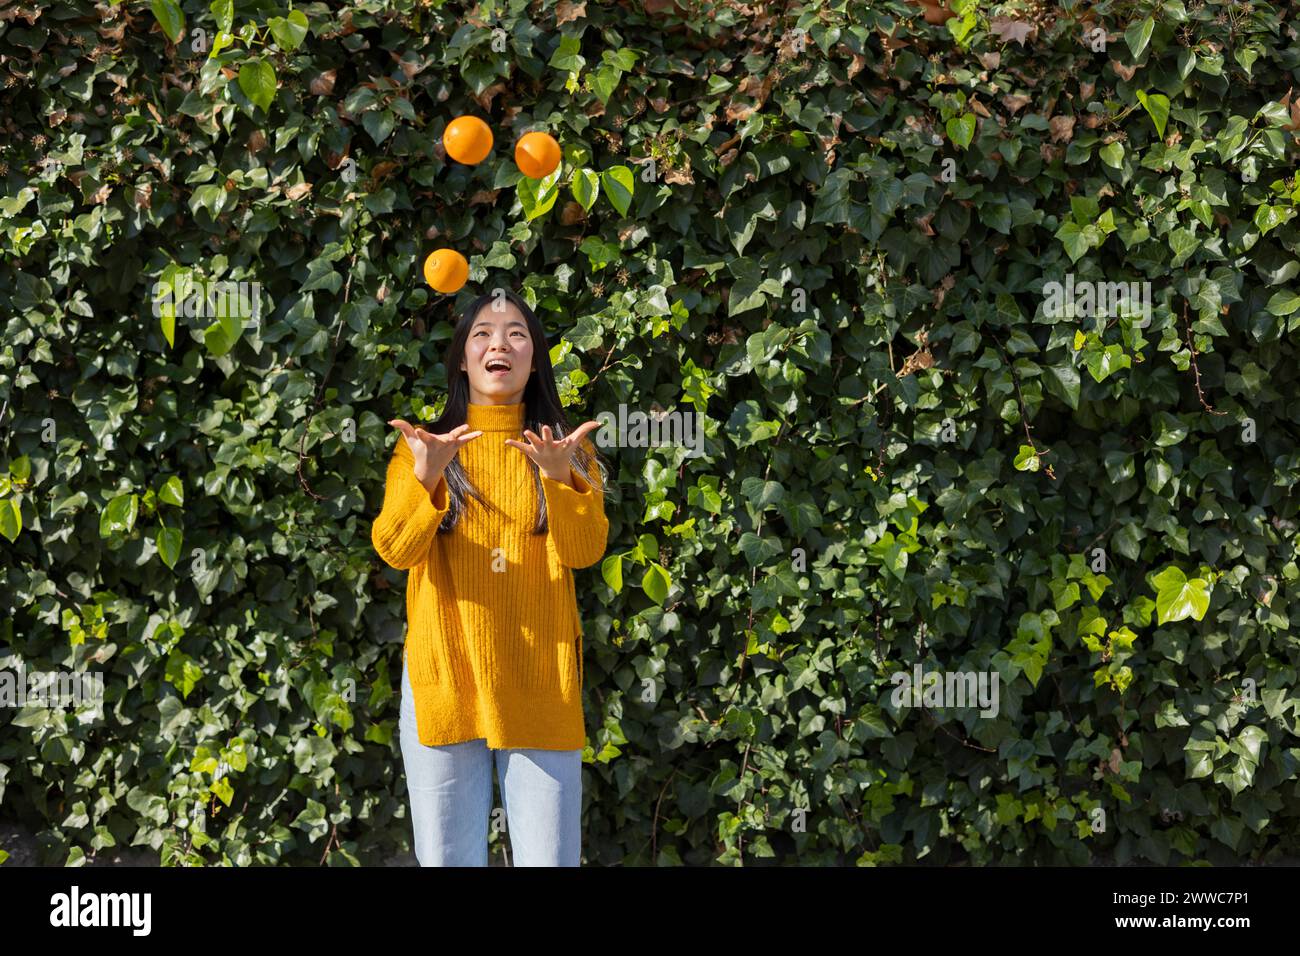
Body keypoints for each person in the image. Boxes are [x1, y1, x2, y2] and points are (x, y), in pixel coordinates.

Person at [371, 288, 610, 866]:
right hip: (444, 679)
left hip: (539, 682)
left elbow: (584, 553)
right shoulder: (422, 451)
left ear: (534, 360)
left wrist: (559, 480)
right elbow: (396, 550)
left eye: (516, 334)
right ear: (461, 357)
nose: (498, 343)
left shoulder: (569, 452)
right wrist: (428, 477)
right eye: (482, 333)